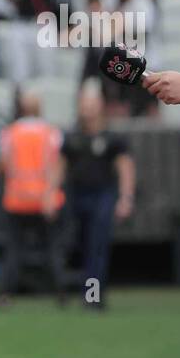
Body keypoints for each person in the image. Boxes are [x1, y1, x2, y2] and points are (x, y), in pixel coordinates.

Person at [62, 89, 135, 309]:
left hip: (102, 195)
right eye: (84, 104)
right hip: (77, 194)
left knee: (96, 246)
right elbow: (60, 166)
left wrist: (125, 197)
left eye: (91, 104)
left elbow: (125, 167)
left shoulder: (112, 139)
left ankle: (93, 296)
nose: (87, 109)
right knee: (80, 244)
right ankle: (82, 291)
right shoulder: (73, 138)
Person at [0, 91, 66, 304]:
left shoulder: (9, 133)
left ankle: (5, 295)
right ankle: (61, 293)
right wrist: (50, 194)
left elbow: (0, 165)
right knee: (53, 248)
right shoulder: (51, 133)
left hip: (16, 200)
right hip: (46, 200)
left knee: (14, 250)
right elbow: (58, 166)